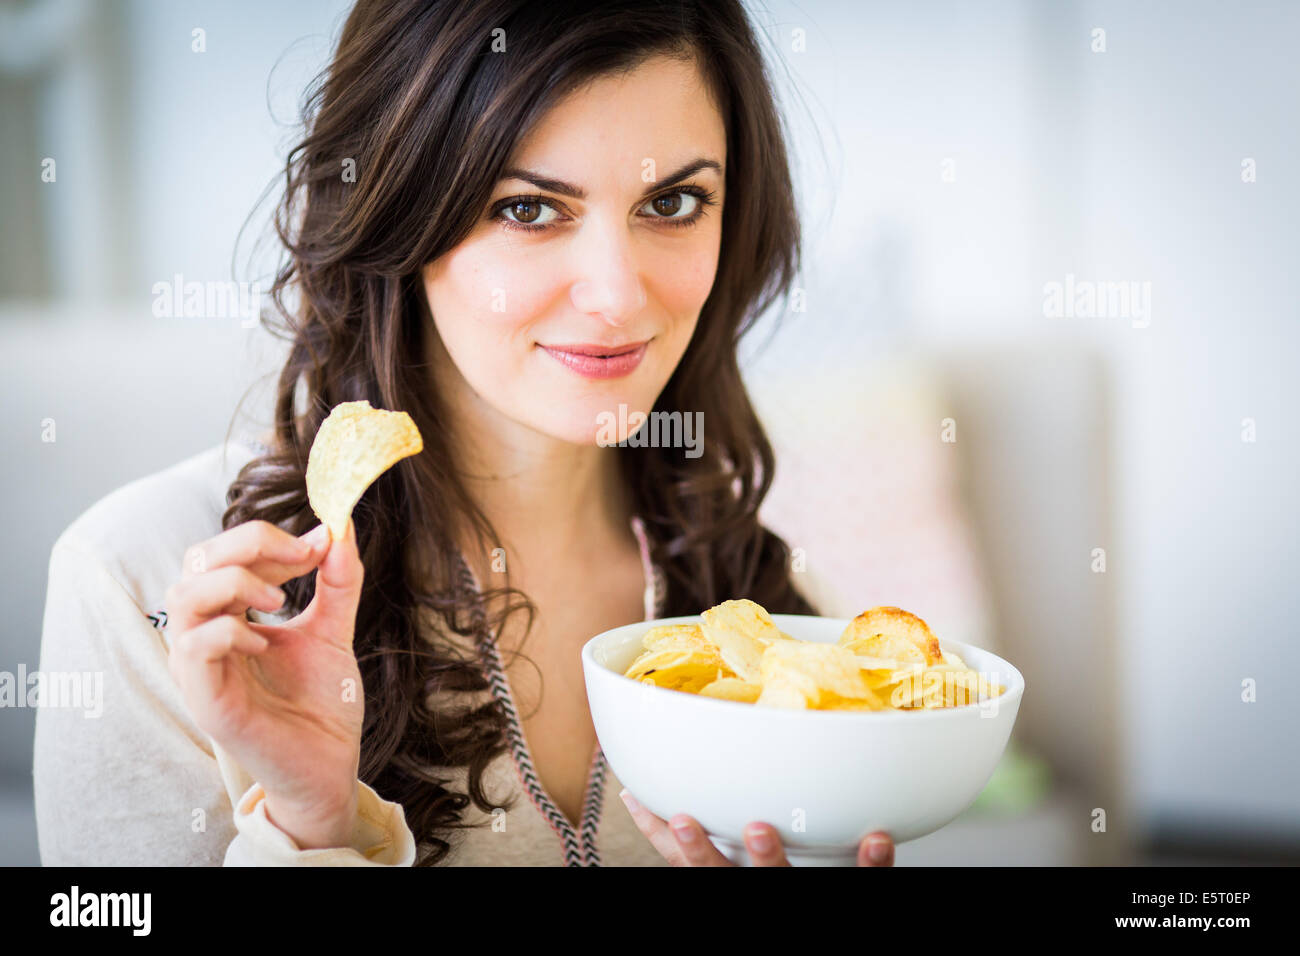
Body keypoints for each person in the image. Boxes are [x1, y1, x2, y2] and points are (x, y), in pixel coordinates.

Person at [34, 0, 895, 868]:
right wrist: (309, 827)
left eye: (673, 201)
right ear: (397, 207)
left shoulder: (762, 608)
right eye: (528, 209)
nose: (619, 295)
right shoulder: (138, 581)